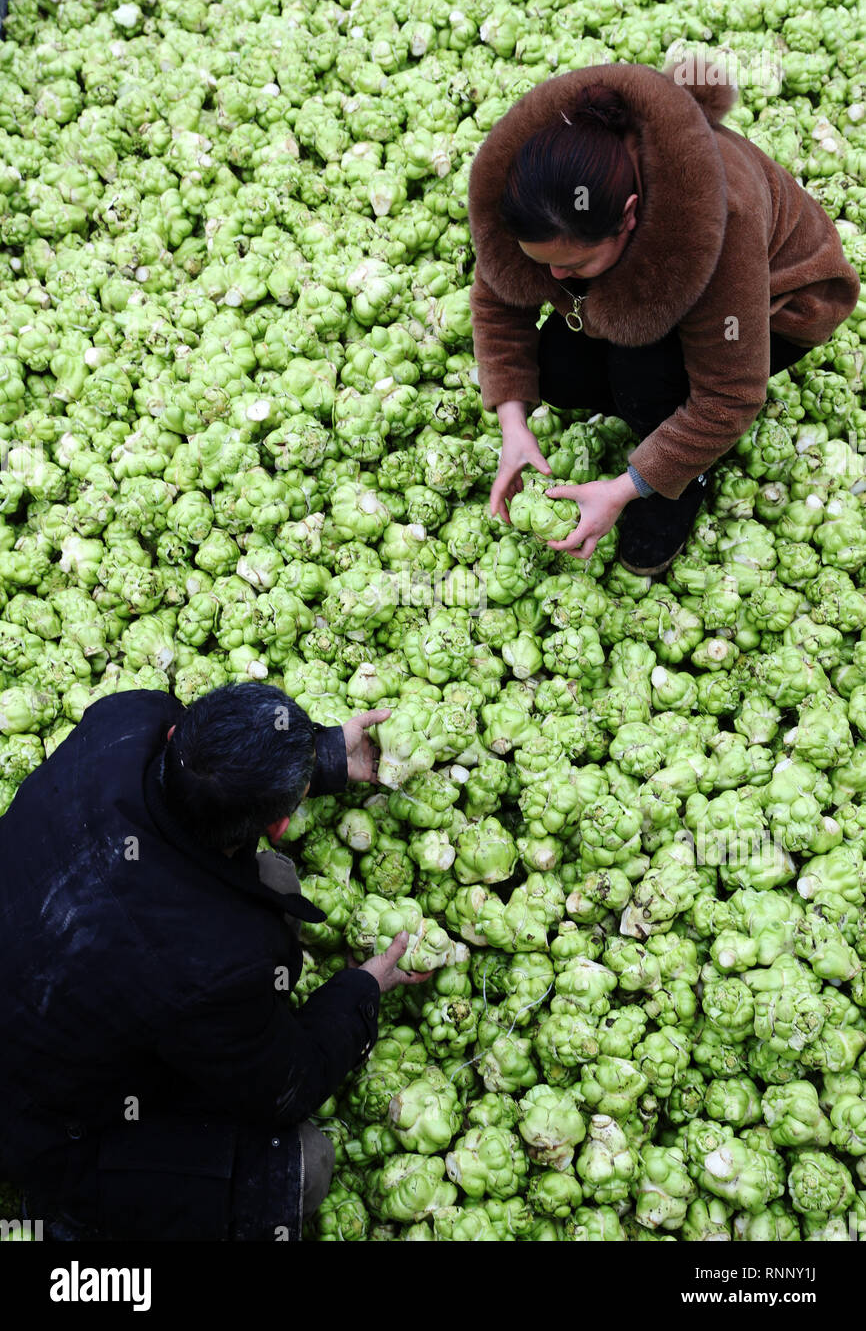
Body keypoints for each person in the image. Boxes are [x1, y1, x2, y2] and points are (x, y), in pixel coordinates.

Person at [0, 682, 430, 1241]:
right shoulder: (217, 964)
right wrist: (360, 990)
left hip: (41, 939)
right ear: (279, 824)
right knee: (305, 1165)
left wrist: (319, 756)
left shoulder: (127, 718)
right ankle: (76, 1212)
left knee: (274, 881)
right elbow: (286, 1086)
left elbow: (208, 767)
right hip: (36, 1119)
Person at [468, 61, 860, 576]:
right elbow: (498, 293)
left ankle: (683, 481)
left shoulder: (719, 222)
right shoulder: (545, 187)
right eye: (543, 261)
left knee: (642, 376)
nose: (556, 275)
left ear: (629, 215)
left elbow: (730, 395)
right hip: (659, 283)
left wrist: (624, 487)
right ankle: (650, 408)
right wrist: (512, 426)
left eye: (574, 263)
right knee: (557, 368)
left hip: (775, 305)